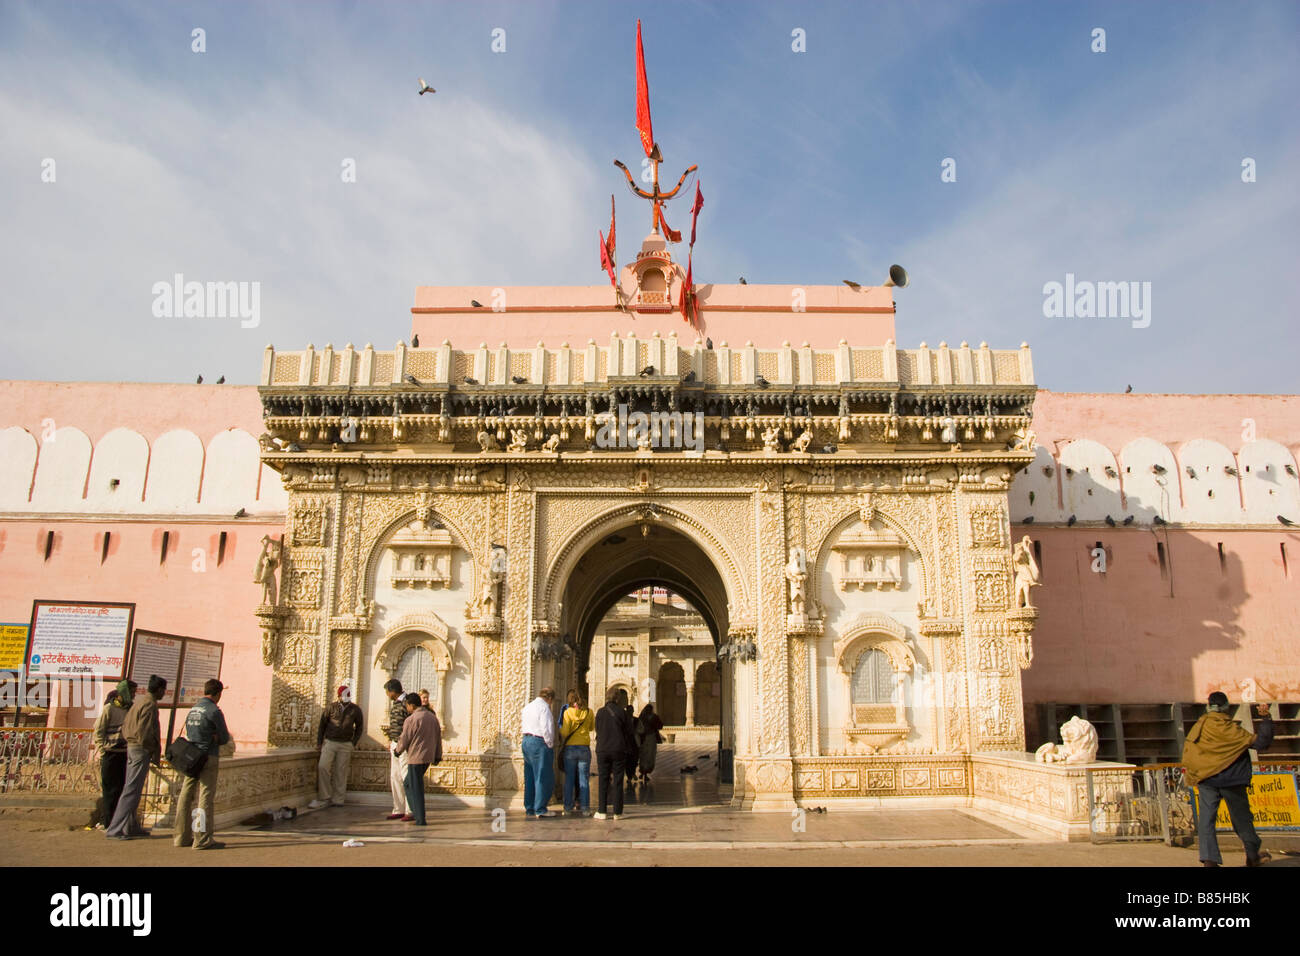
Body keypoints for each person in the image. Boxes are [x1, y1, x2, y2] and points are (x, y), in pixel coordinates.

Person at [1183, 694, 1274, 867]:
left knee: (1206, 821)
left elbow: (1190, 751)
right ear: (1226, 707)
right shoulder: (1231, 729)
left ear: (1208, 707)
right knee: (1242, 820)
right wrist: (1266, 719)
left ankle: (1209, 860)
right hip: (1233, 781)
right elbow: (1261, 742)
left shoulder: (1200, 726)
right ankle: (1252, 855)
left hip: (1206, 780)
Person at [173, 678, 232, 851]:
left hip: (192, 756)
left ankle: (181, 836)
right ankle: (202, 839)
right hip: (208, 756)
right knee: (205, 796)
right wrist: (214, 737)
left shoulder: (193, 709)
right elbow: (224, 737)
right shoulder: (214, 711)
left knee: (186, 793)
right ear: (218, 694)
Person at [106, 675, 164, 840]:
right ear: (159, 690)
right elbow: (144, 731)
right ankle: (115, 829)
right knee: (131, 790)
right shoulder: (148, 705)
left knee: (135, 789)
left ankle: (131, 825)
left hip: (133, 747)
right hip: (140, 748)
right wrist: (152, 750)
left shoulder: (139, 703)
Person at [90, 680, 136, 830]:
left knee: (122, 789)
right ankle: (109, 823)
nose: (133, 695)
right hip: (110, 754)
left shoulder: (130, 709)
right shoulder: (109, 709)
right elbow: (98, 731)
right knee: (110, 791)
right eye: (132, 692)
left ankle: (118, 823)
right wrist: (103, 751)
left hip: (124, 754)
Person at [310, 684, 363, 809]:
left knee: (341, 771)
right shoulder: (331, 707)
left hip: (345, 743)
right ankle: (325, 796)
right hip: (330, 741)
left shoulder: (355, 709)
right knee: (323, 766)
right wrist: (319, 742)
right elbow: (322, 725)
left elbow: (359, 727)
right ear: (339, 696)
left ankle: (338, 799)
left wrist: (353, 743)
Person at [393, 692, 442, 826]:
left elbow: (405, 738)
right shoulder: (432, 718)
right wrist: (438, 755)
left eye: (407, 705)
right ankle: (416, 812)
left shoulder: (412, 719)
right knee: (408, 783)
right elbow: (438, 738)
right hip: (428, 757)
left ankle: (420, 818)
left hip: (416, 757)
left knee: (416, 787)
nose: (407, 708)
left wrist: (397, 750)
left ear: (412, 705)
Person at [594, 688, 634, 820]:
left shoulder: (600, 712)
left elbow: (597, 730)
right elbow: (629, 731)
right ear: (618, 699)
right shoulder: (622, 713)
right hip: (618, 750)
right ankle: (617, 812)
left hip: (603, 749)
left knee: (603, 779)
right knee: (617, 780)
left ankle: (602, 811)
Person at [520, 687, 557, 818]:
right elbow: (546, 728)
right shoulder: (544, 708)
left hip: (526, 741)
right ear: (550, 698)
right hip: (539, 742)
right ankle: (540, 808)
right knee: (542, 776)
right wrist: (550, 744)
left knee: (529, 776)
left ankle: (530, 807)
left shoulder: (528, 707)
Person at [559, 694, 595, 816]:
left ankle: (567, 808)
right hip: (584, 748)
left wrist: (560, 730)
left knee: (569, 779)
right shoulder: (589, 712)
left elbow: (564, 732)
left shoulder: (568, 712)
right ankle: (585, 809)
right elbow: (591, 728)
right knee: (584, 779)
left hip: (570, 748)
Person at [382, 678, 410, 820]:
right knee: (395, 776)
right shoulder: (396, 704)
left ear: (392, 691)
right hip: (394, 743)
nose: (387, 694)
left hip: (404, 745)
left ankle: (409, 810)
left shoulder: (407, 703)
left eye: (387, 691)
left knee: (406, 776)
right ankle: (398, 808)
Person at [635, 702, 664, 785]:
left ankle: (644, 772)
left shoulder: (645, 717)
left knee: (647, 755)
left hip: (648, 738)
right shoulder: (646, 717)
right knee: (646, 755)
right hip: (647, 738)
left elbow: (660, 725)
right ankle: (644, 772)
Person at [623, 702, 639, 788]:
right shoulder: (624, 721)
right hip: (626, 743)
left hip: (634, 743)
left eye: (631, 711)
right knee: (627, 760)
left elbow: (640, 730)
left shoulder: (636, 720)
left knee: (634, 759)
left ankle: (632, 773)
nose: (630, 712)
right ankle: (629, 775)